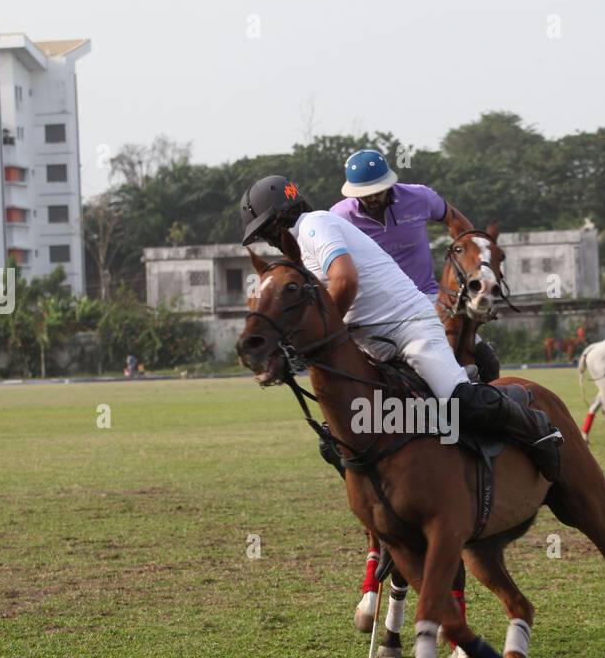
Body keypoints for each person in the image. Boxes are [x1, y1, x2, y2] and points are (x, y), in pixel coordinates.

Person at [239, 175, 562, 479]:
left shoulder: (314, 225)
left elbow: (345, 280)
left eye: (265, 233)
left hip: (409, 328)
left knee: (459, 400)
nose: (269, 242)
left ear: (280, 220)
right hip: (369, 343)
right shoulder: (299, 255)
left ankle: (538, 428)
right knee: (339, 435)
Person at [330, 150, 500, 383]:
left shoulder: (420, 197)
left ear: (388, 183)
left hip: (427, 299)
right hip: (376, 309)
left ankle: (490, 414)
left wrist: (473, 269)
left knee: (486, 361)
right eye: (363, 193)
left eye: (376, 191)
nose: (370, 198)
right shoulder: (339, 216)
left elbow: (458, 224)